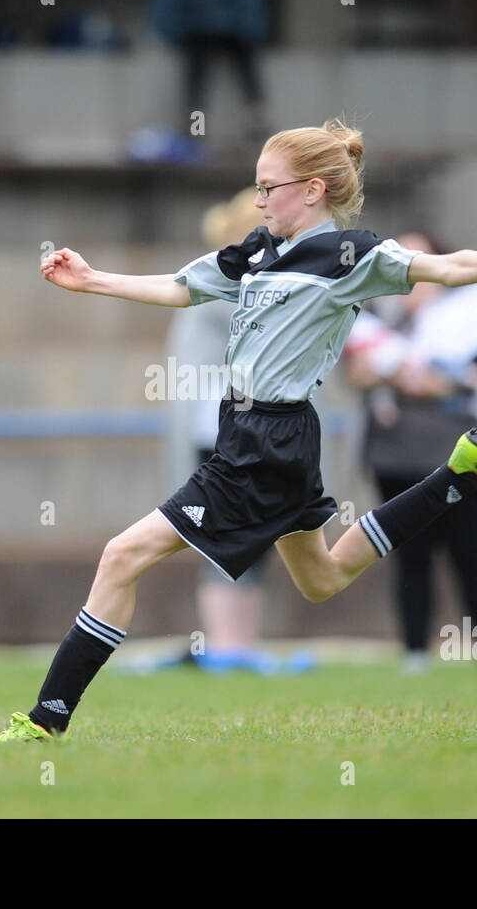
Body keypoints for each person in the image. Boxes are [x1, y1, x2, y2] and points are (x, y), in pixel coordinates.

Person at [0, 120, 477, 743]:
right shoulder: (255, 252)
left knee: (122, 555)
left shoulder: (350, 256)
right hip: (263, 434)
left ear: (313, 190)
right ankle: (457, 476)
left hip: (264, 441)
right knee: (321, 577)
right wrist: (93, 279)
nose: (261, 198)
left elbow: (447, 267)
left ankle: (46, 720)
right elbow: (181, 288)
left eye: (270, 187)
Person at [344, 233, 477, 673]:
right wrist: (399, 373)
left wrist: (440, 381)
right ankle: (415, 651)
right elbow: (356, 370)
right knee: (409, 556)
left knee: (470, 553)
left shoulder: (473, 315)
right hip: (397, 457)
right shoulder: (378, 314)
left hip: (460, 456)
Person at [161, 187, 301, 673]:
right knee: (226, 535)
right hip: (221, 429)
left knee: (254, 539)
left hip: (245, 425)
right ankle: (225, 642)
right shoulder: (228, 276)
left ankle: (238, 643)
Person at [148, 0, 270, 143]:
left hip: (232, 32)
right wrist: (175, 33)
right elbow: (167, 4)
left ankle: (255, 117)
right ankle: (196, 125)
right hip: (199, 33)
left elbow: (250, 4)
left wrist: (250, 30)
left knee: (246, 66)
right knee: (197, 75)